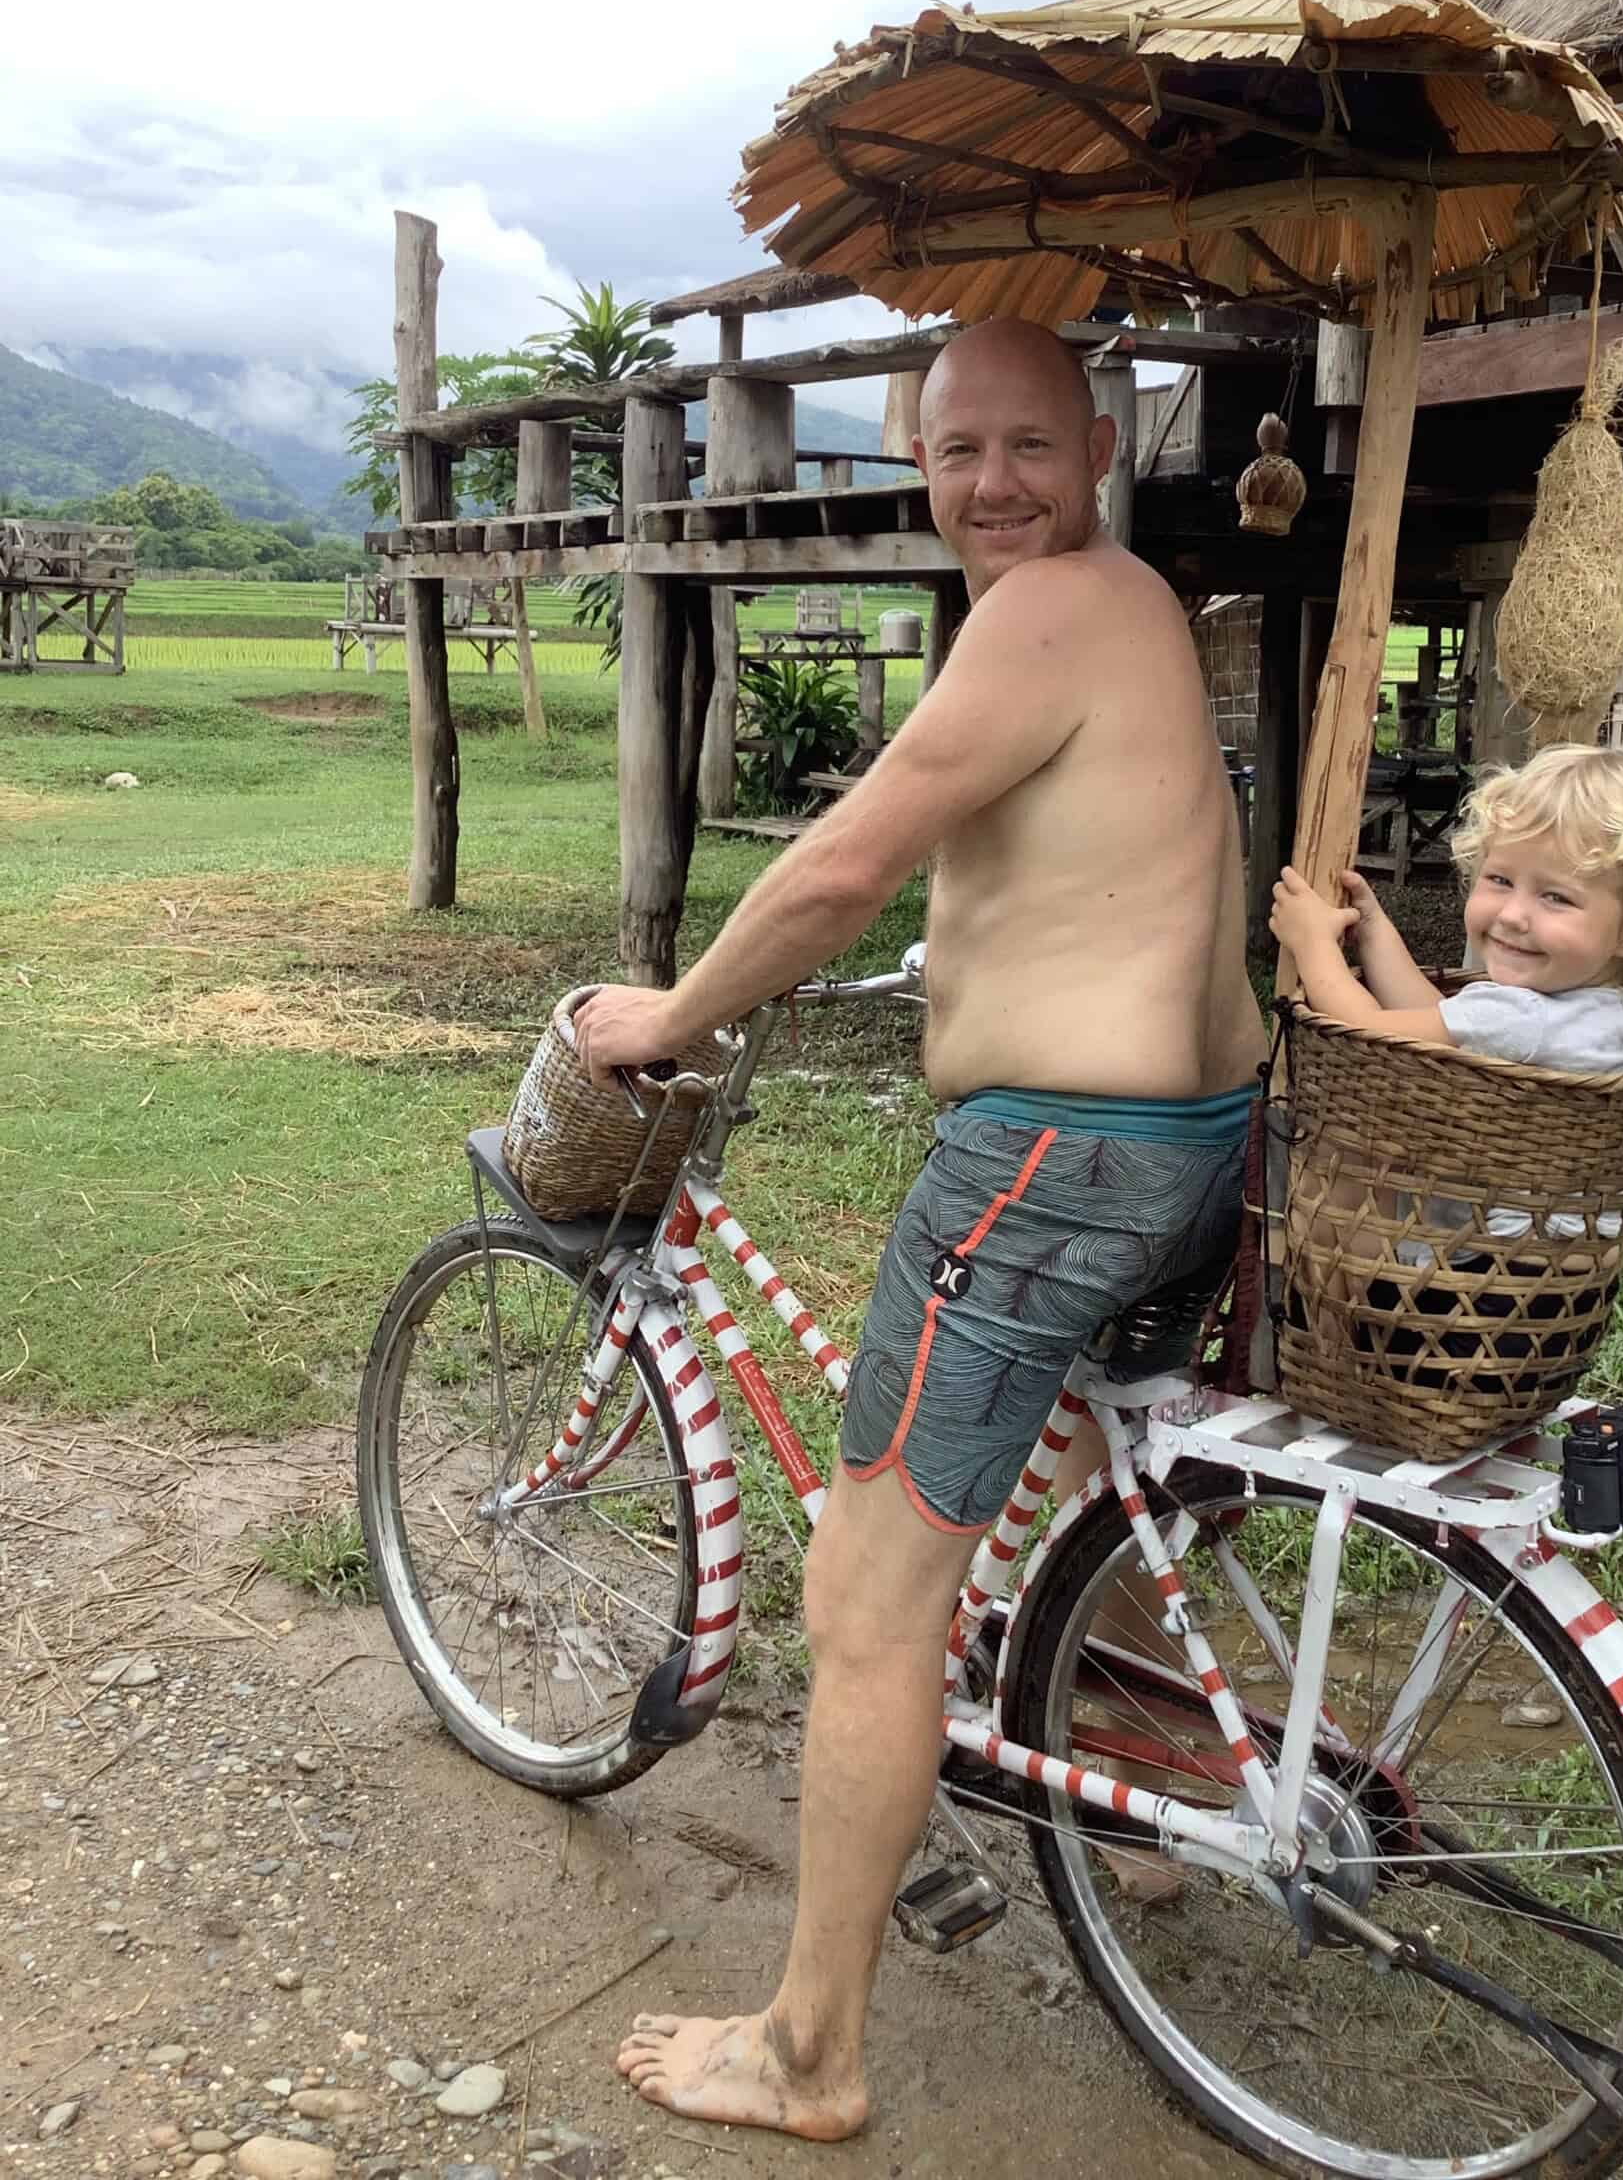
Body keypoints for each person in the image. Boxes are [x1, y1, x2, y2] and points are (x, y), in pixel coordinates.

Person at [570, 318, 1266, 2142]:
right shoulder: (1133, 612)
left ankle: (811, 2051)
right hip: (1190, 1147)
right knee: (1065, 1488)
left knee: (870, 1595)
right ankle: (1145, 1783)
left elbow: (840, 862)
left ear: (1099, 446)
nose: (992, 488)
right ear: (918, 464)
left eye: (1027, 448)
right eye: (958, 455)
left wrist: (670, 1013)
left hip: (1055, 1159)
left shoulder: (1047, 610)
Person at [1269, 743, 1623, 1264]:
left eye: (1556, 897)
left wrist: (1313, 945)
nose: (1512, 914)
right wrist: (1373, 931)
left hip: (1485, 1274)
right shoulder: (1601, 1011)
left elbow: (1369, 1027)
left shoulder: (1527, 1019)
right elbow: (1433, 1025)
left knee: (1336, 1198)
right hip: (1551, 1275)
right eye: (1500, 880)